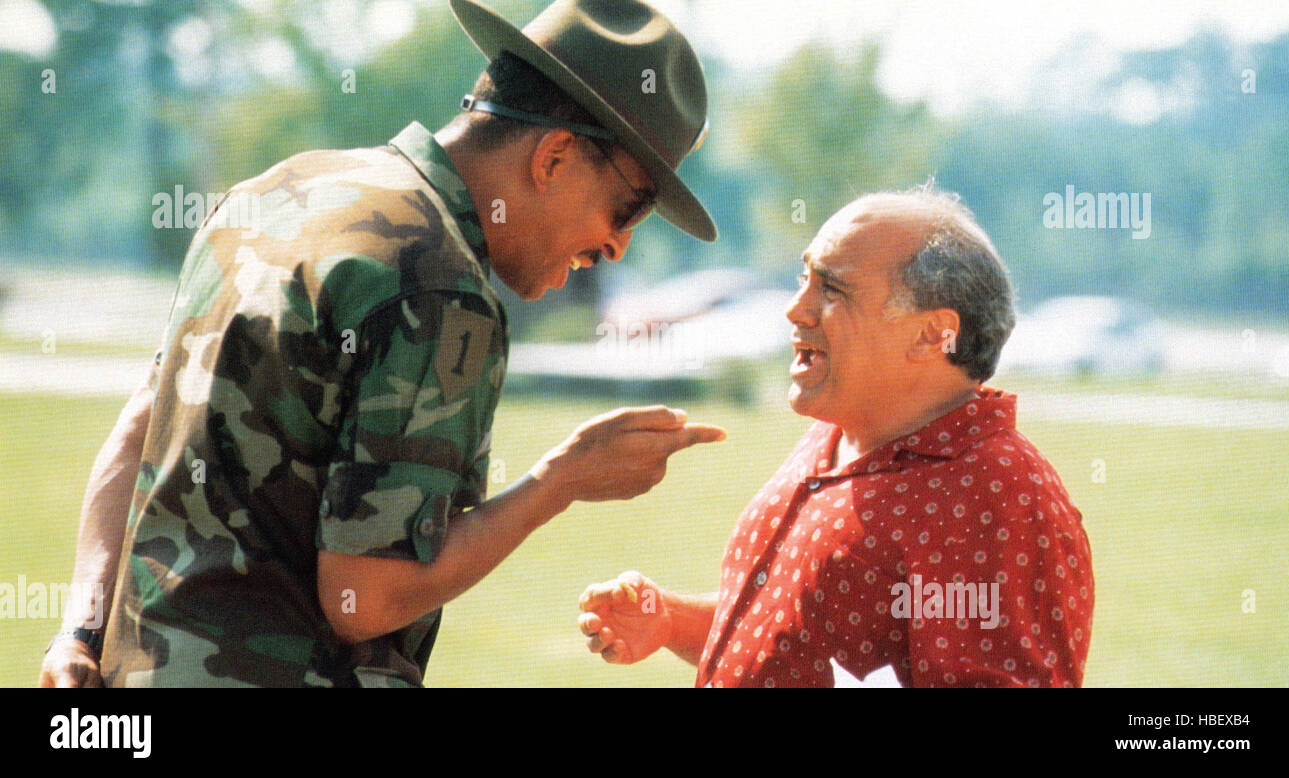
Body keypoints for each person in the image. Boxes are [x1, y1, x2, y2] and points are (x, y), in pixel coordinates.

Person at [39, 0, 724, 688]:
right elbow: (364, 599)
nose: (618, 245)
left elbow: (139, 433)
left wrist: (80, 629)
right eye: (629, 207)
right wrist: (561, 480)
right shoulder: (438, 285)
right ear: (552, 159)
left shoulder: (279, 190)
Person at [578, 186, 1095, 687]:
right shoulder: (840, 435)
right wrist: (670, 619)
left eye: (832, 289)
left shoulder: (1001, 494)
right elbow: (802, 638)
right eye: (804, 279)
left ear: (932, 334)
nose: (796, 309)